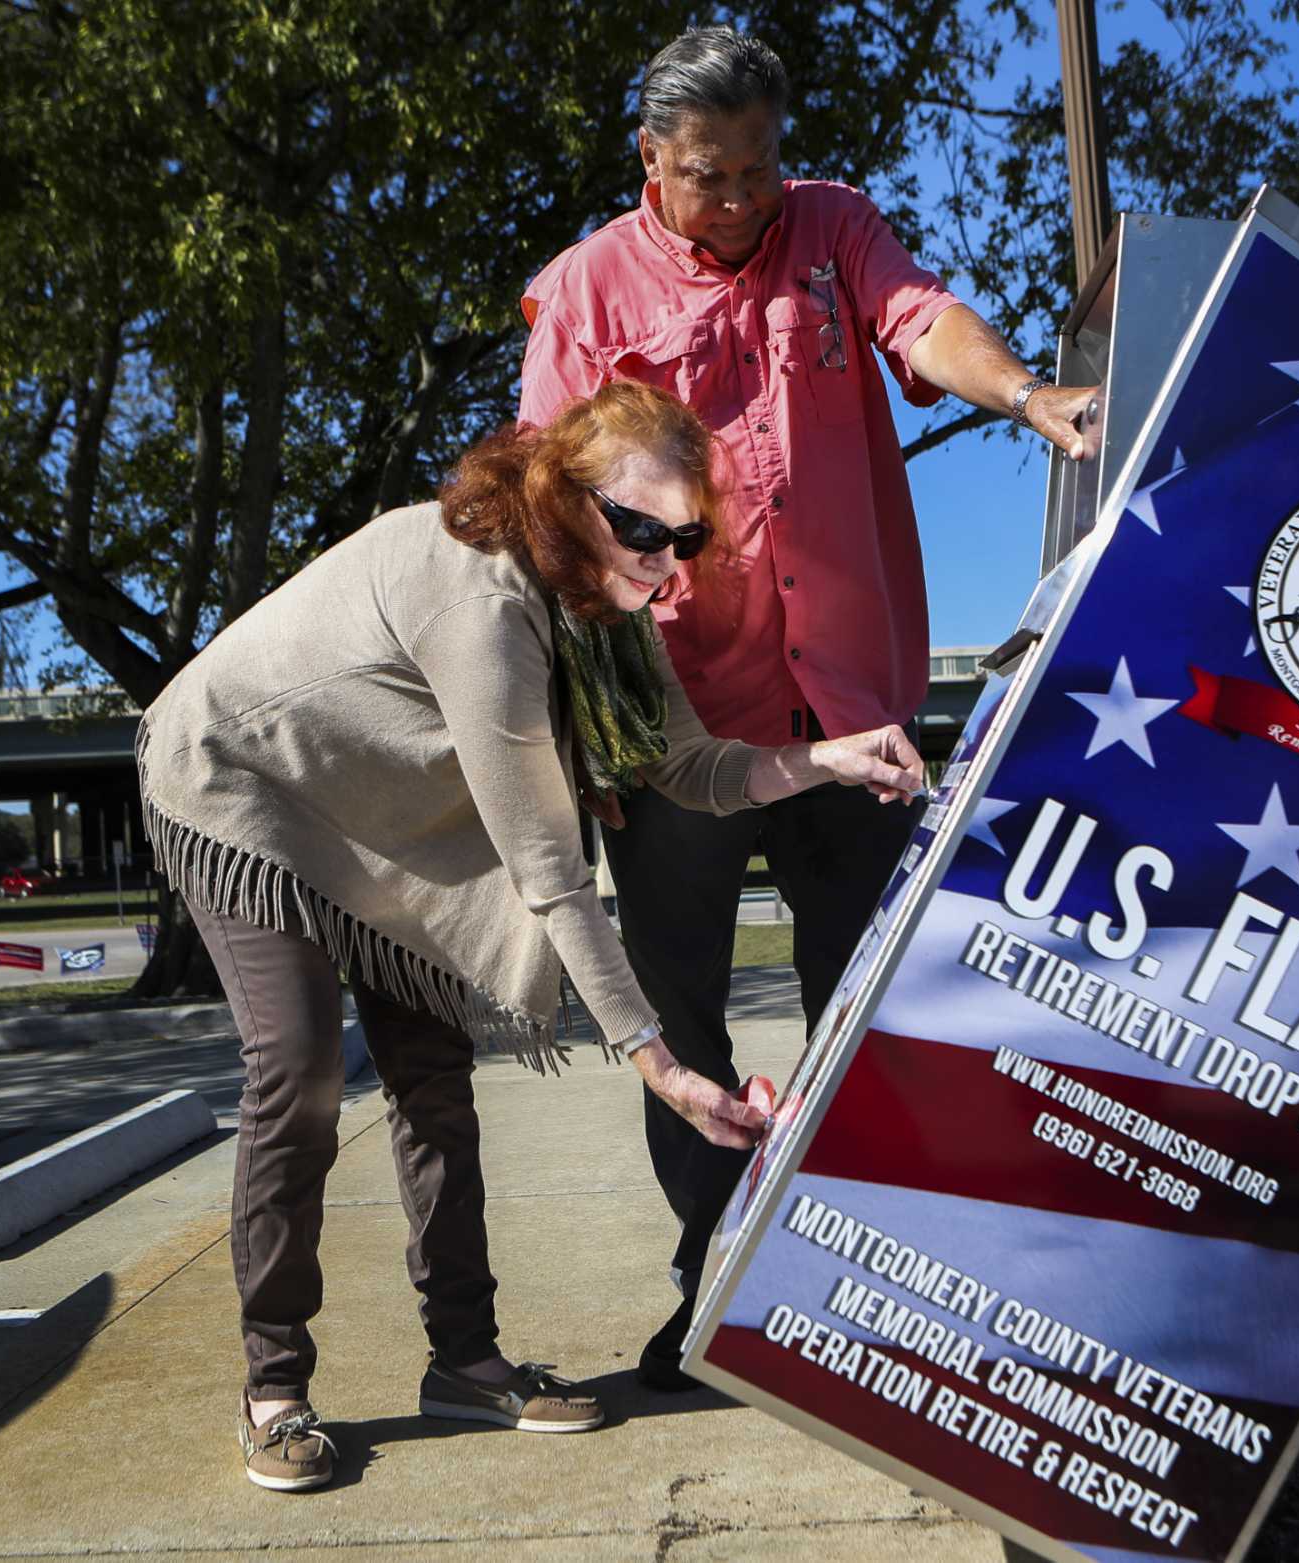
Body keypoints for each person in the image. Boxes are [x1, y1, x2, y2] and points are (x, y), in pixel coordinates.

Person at [136, 380, 922, 1493]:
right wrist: (659, 1064)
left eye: (683, 537)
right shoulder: (488, 601)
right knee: (300, 1075)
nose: (660, 560)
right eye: (637, 529)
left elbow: (686, 767)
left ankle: (463, 1360)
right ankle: (275, 1387)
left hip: (381, 818)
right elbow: (548, 870)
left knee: (432, 1081)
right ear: (559, 494)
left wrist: (825, 758)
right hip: (243, 786)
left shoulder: (604, 608)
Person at [518, 24, 1099, 1390]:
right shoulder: (587, 291)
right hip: (677, 731)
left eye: (762, 167)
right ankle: (718, 1286)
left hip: (849, 706)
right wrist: (580, 735)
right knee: (688, 1021)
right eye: (712, 174)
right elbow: (547, 519)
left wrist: (1028, 396)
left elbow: (922, 320)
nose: (743, 199)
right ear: (651, 160)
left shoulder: (833, 230)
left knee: (873, 1003)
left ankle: (873, 1281)